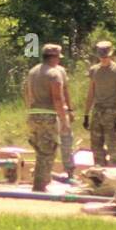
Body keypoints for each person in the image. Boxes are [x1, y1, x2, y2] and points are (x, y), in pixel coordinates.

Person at [24, 43, 69, 192]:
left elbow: (28, 94)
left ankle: (39, 182)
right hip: (48, 115)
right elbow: (57, 99)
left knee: (39, 150)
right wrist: (63, 120)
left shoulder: (33, 71)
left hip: (33, 114)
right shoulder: (54, 74)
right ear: (54, 57)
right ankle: (40, 186)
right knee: (48, 151)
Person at [83, 40, 116, 166]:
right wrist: (86, 115)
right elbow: (90, 93)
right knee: (96, 148)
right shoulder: (94, 70)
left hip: (111, 112)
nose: (104, 59)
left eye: (106, 56)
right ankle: (100, 177)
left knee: (112, 148)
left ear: (111, 55)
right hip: (97, 112)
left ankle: (115, 176)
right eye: (102, 56)